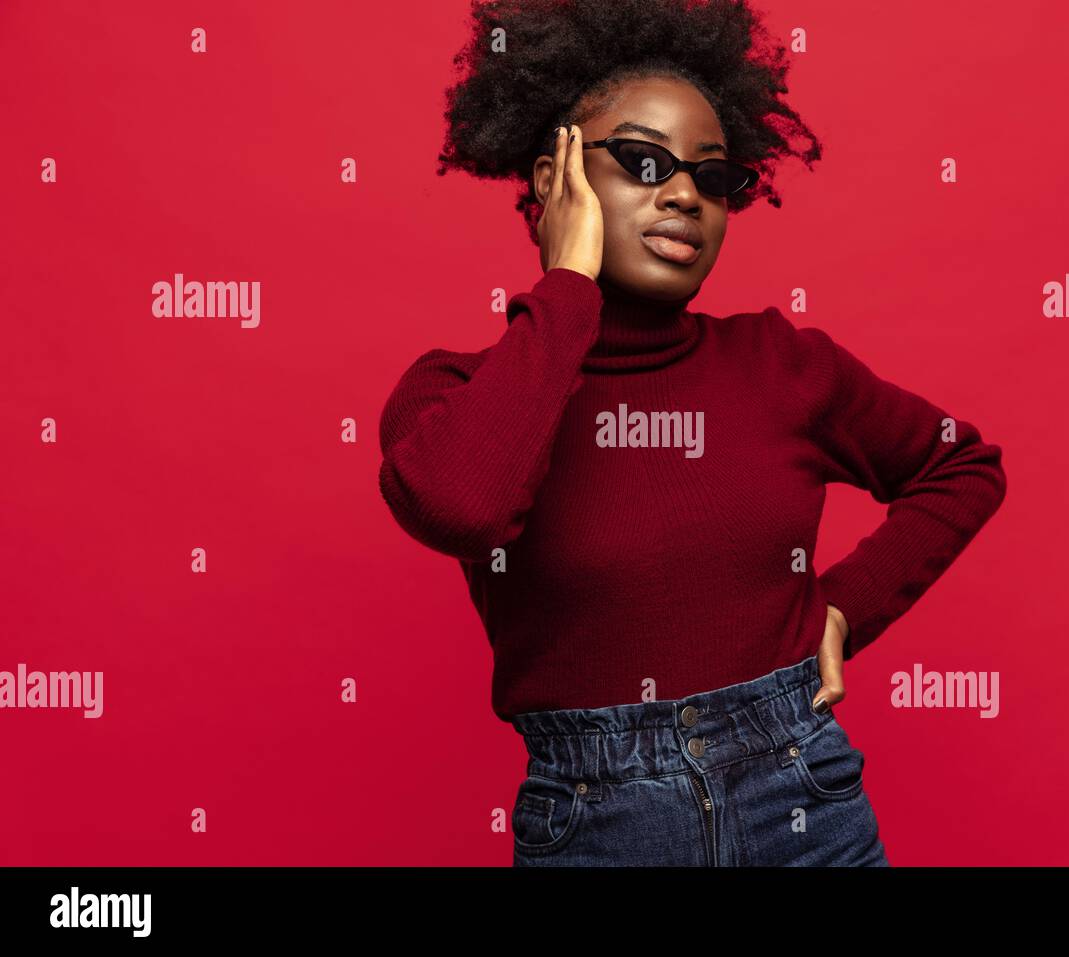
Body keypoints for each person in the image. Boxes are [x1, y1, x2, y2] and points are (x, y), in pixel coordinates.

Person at [377, 0, 1007, 866]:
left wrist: (841, 612)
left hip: (804, 804)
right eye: (642, 161)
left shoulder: (783, 364)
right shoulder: (458, 390)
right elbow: (463, 508)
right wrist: (567, 283)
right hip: (597, 827)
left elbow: (960, 465)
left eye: (713, 178)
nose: (682, 193)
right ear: (554, 180)